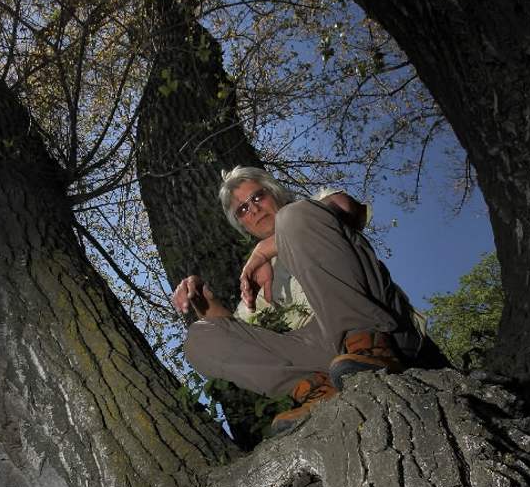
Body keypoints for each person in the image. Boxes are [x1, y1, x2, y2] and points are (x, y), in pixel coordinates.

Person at [171, 166, 443, 433]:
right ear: (241, 223)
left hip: (385, 328)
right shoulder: (255, 280)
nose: (252, 209)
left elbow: (349, 208)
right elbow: (236, 335)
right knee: (199, 339)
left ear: (275, 193)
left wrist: (269, 246)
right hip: (328, 358)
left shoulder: (309, 211)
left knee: (293, 218)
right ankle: (316, 388)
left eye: (257, 197)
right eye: (242, 209)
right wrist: (203, 302)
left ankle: (370, 346)